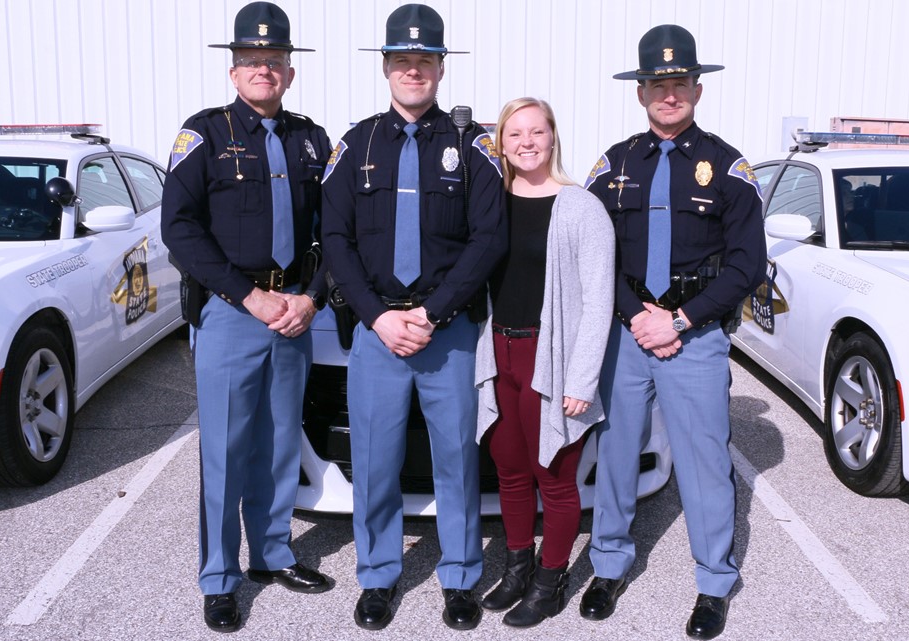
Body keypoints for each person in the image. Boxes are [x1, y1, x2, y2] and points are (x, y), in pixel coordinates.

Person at [320, 3, 507, 632]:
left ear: (441, 67)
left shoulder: (471, 143)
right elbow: (335, 238)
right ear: (385, 67)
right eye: (403, 60)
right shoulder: (356, 143)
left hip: (446, 333)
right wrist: (376, 317)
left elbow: (488, 238)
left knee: (456, 456)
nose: (414, 70)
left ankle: (459, 576)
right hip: (377, 334)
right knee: (375, 460)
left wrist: (430, 311)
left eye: (425, 60)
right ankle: (377, 576)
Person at [581, 25, 765, 640]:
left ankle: (714, 582)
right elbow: (593, 251)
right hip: (629, 332)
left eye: (679, 81)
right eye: (657, 83)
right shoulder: (614, 165)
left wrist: (682, 319)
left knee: (705, 462)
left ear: (697, 88)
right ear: (640, 92)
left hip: (697, 333)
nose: (669, 93)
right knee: (615, 455)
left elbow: (746, 263)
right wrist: (636, 314)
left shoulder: (729, 167)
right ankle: (608, 565)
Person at [160, 2, 333, 633]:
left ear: (290, 71)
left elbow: (332, 230)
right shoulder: (203, 135)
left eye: (275, 61)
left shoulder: (312, 139)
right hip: (233, 313)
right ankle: (219, 576)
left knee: (279, 441)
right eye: (251, 61)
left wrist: (310, 296)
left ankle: (271, 553)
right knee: (228, 450)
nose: (264, 69)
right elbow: (178, 229)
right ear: (233, 72)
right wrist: (248, 296)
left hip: (294, 310)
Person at [473, 97, 614, 628]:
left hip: (548, 358)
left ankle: (550, 580)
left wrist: (582, 378)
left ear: (553, 137)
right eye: (515, 134)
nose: (526, 142)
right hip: (499, 353)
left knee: (552, 475)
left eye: (537, 131)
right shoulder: (489, 202)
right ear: (500, 143)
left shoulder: (580, 206)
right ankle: (517, 566)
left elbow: (599, 299)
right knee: (509, 470)